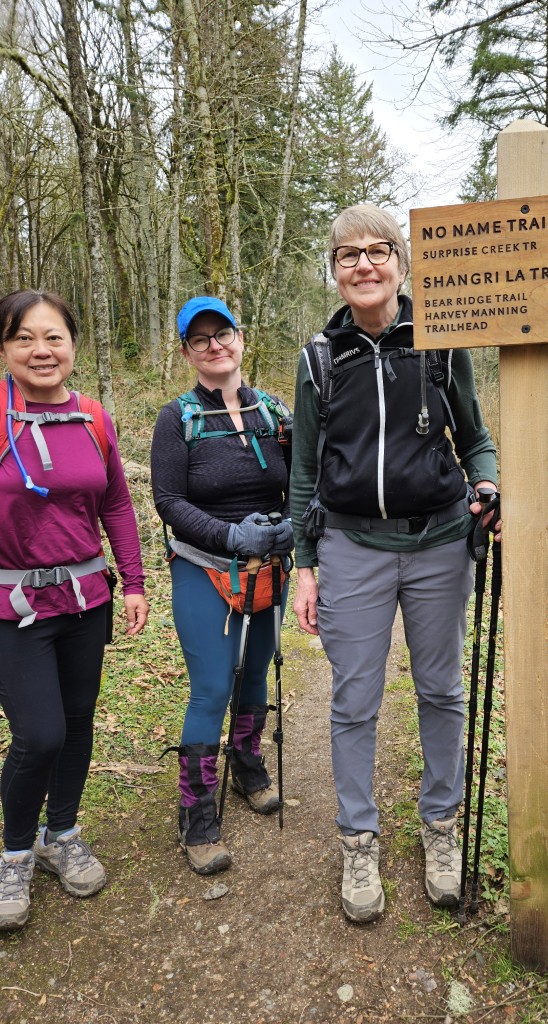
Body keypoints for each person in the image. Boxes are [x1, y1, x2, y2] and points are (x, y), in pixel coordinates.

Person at [290, 204, 499, 923]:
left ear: (402, 264)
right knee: (353, 698)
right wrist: (305, 563)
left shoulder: (442, 340)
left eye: (378, 251)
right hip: (352, 545)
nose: (364, 265)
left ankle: (441, 826)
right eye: (348, 255)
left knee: (441, 690)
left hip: (441, 542)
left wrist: (489, 482)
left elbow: (474, 438)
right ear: (336, 269)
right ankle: (358, 837)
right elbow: (304, 471)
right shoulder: (319, 357)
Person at [0, 289, 149, 931]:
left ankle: (62, 832)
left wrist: (136, 581)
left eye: (54, 336)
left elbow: (116, 503)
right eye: (25, 337)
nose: (41, 350)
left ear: (72, 346)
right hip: (14, 609)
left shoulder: (94, 418)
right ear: (5, 348)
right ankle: (14, 852)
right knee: (40, 734)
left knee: (78, 719)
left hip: (87, 600)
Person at [151, 296, 293, 876]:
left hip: (268, 567)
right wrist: (232, 536)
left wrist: (290, 528)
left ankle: (248, 764)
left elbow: (303, 479)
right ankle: (196, 810)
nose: (215, 345)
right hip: (202, 564)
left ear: (241, 338)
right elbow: (169, 502)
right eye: (201, 339)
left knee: (256, 670)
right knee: (212, 684)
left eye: (223, 333)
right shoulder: (176, 417)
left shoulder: (277, 412)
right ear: (187, 351)